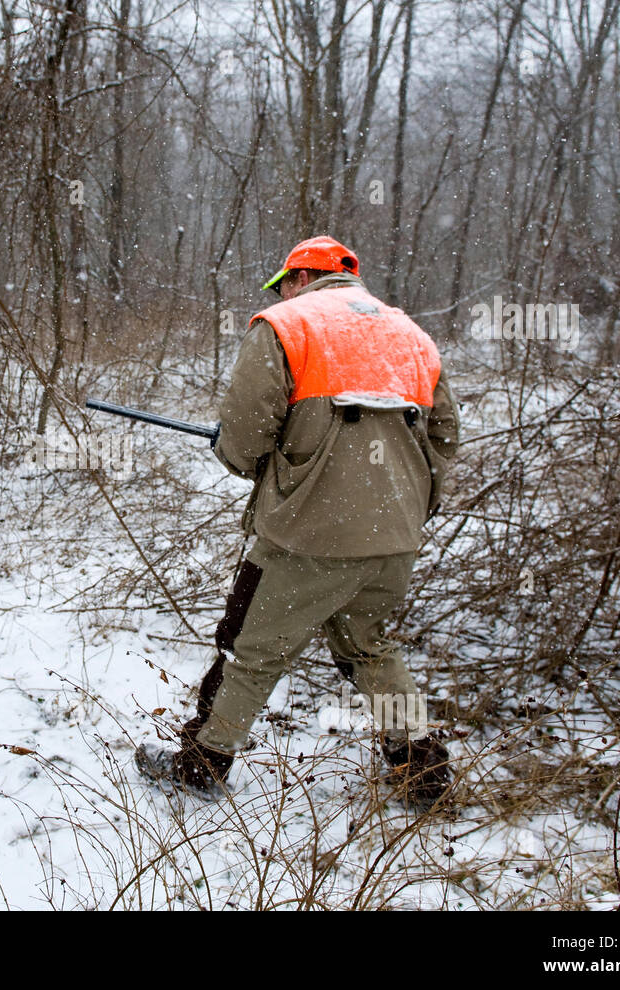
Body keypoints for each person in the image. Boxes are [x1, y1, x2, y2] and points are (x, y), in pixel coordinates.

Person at [136, 235, 460, 804]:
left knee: (249, 650)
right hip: (395, 537)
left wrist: (265, 465)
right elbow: (446, 435)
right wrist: (407, 501)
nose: (283, 292)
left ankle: (201, 767)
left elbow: (243, 432)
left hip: (306, 535)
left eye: (284, 282)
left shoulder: (288, 324)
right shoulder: (410, 335)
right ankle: (421, 769)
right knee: (369, 645)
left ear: (300, 278)